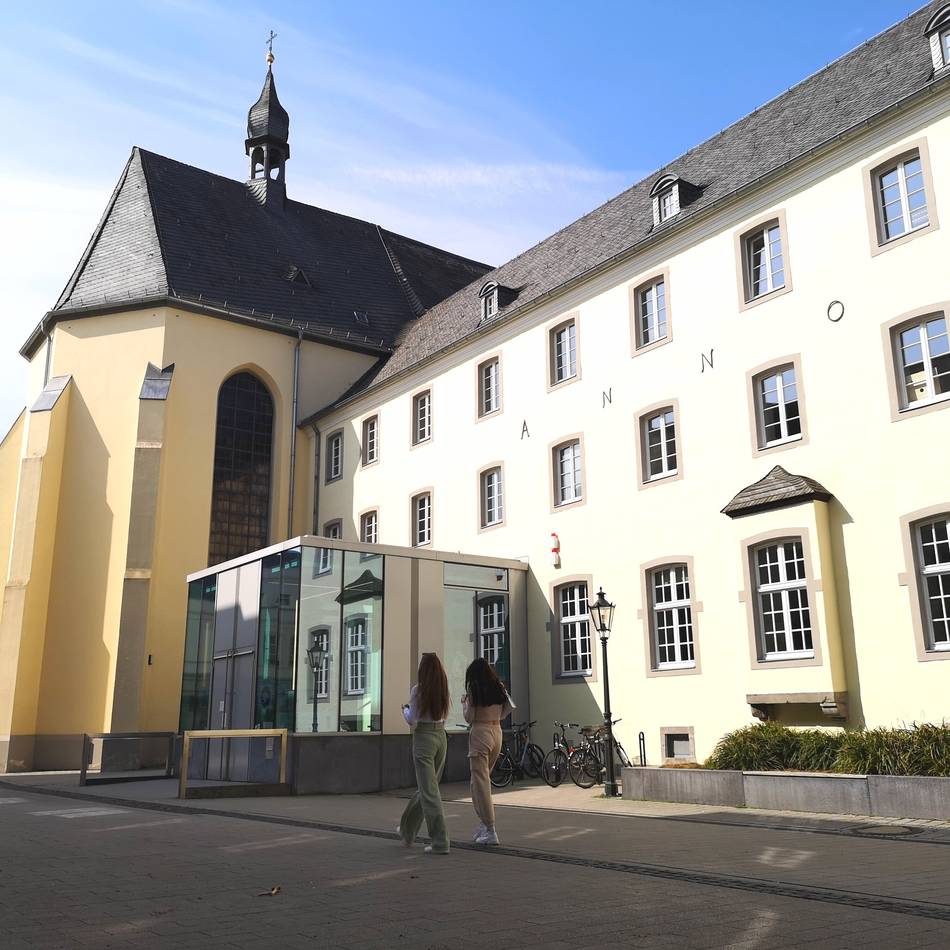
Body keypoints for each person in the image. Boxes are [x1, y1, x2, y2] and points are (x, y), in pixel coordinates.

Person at [397, 653, 451, 855]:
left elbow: (413, 720)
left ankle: (440, 841)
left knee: (429, 792)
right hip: (441, 736)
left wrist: (405, 710)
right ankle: (407, 830)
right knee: (428, 788)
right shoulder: (443, 690)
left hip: (424, 739)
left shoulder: (418, 690)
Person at [461, 657, 514, 846]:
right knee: (481, 781)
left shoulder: (474, 689)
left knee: (480, 783)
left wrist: (464, 704)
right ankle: (485, 825)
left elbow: (469, 718)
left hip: (480, 733)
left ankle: (490, 828)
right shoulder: (498, 687)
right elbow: (507, 710)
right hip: (497, 732)